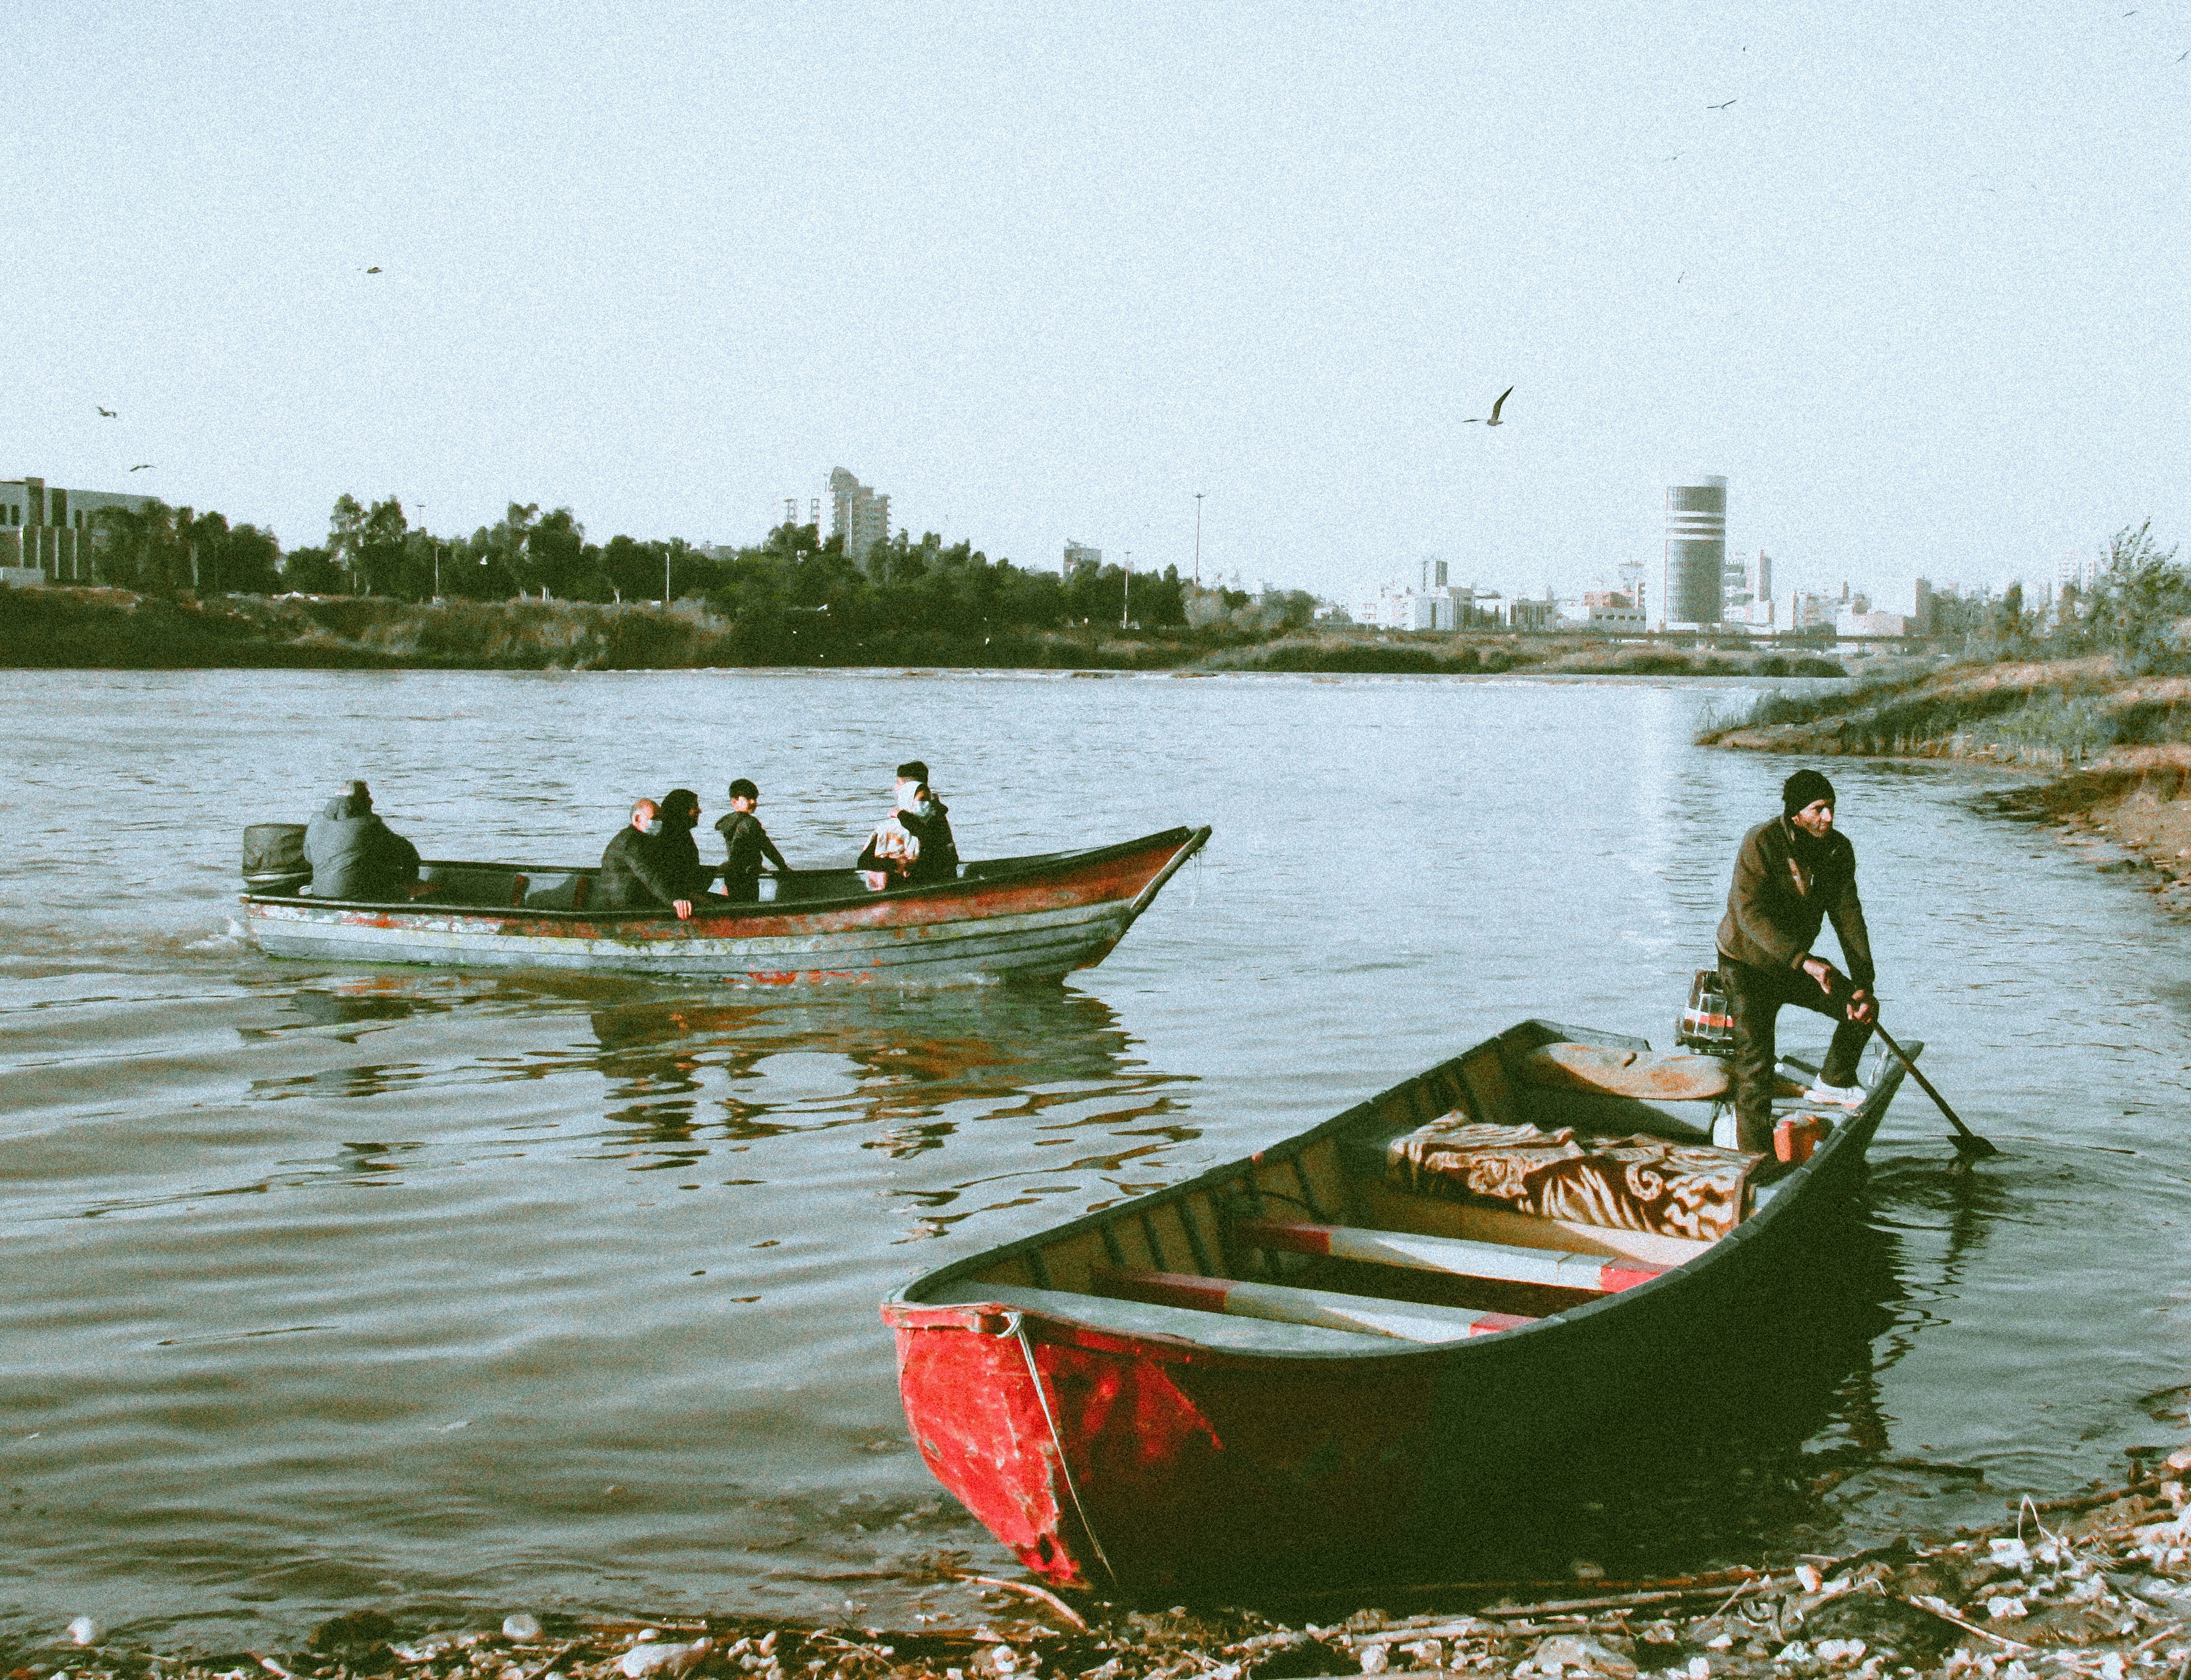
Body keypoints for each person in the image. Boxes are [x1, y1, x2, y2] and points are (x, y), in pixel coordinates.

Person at [1716, 768, 1879, 1154]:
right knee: (1755, 1069)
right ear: (1795, 814)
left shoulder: (1838, 850)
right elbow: (1748, 915)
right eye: (1819, 809)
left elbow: (1848, 914)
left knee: (1859, 1010)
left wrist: (1864, 982)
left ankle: (1835, 1081)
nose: (1829, 817)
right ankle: (1755, 1164)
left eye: (1832, 808)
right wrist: (1804, 960)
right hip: (1747, 967)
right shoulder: (1761, 843)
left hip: (1797, 964)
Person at [303, 779, 421, 902]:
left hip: (320, 891)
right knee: (405, 891)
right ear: (357, 800)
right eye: (366, 796)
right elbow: (408, 854)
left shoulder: (315, 821)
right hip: (358, 896)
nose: (371, 801)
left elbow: (309, 858)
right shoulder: (369, 824)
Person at [858, 760, 959, 888]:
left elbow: (929, 839)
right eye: (920, 800)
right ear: (905, 797)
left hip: (929, 880)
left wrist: (902, 815)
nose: (895, 788)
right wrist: (896, 864)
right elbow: (864, 862)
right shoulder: (889, 828)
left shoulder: (935, 818)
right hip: (898, 884)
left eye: (925, 800)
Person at [596, 798, 697, 919]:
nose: (659, 822)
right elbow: (649, 876)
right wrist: (674, 900)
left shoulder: (643, 838)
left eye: (661, 818)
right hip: (625, 906)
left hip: (640, 897)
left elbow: (663, 873)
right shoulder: (630, 843)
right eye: (655, 818)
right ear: (637, 819)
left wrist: (686, 895)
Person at [715, 778, 788, 901]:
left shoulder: (727, 822)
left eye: (755, 798)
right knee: (750, 902)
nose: (753, 802)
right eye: (748, 798)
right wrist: (783, 867)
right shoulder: (751, 823)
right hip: (748, 875)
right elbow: (767, 847)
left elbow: (737, 852)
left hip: (732, 874)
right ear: (735, 802)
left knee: (735, 902)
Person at [653, 788, 722, 902]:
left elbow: (685, 871)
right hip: (675, 899)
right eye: (695, 807)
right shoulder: (670, 836)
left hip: (681, 895)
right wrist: (717, 870)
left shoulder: (678, 831)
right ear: (681, 809)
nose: (699, 811)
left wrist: (718, 870)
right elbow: (672, 877)